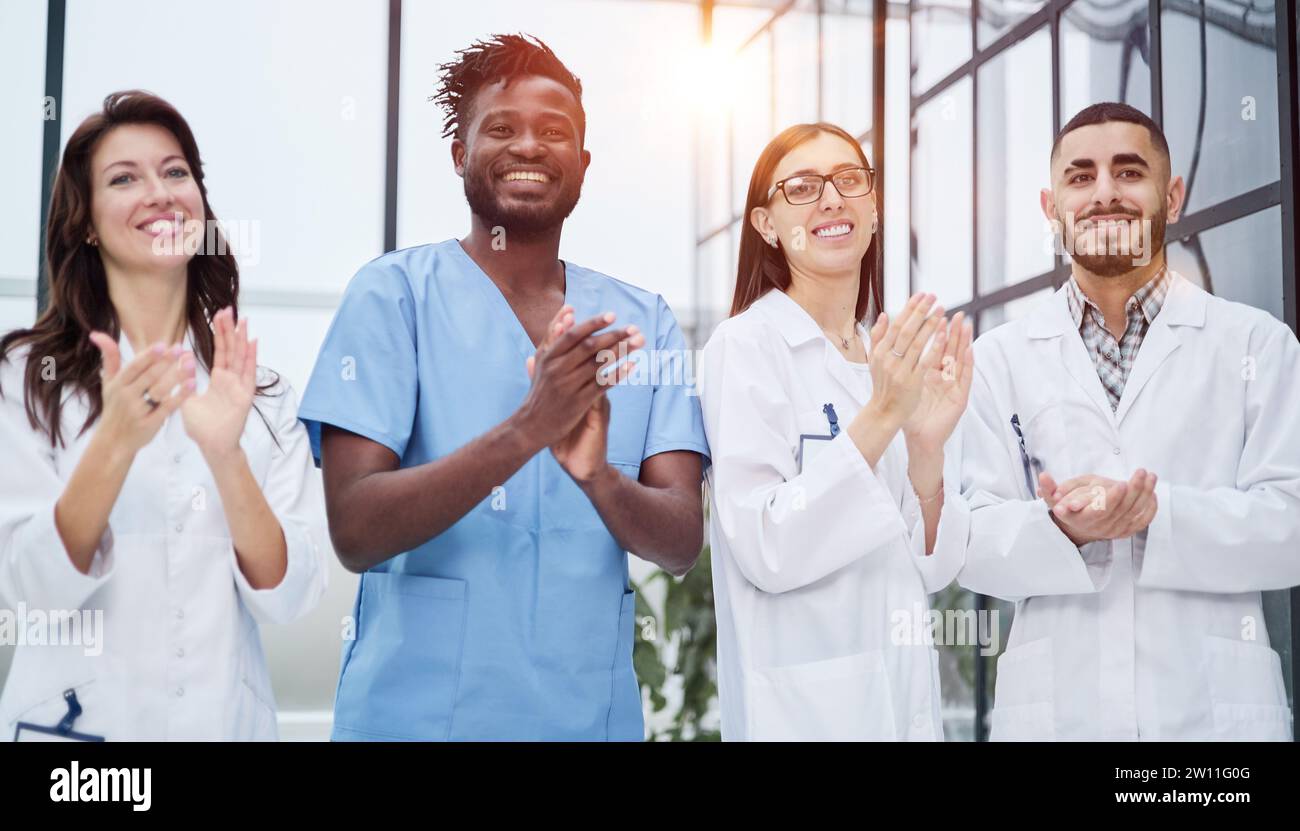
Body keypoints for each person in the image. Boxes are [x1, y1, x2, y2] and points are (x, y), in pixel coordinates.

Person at [297, 34, 709, 741]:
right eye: (501, 128)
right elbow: (356, 530)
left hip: (587, 719)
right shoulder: (393, 298)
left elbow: (680, 542)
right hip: (415, 719)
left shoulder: (645, 323)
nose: (529, 146)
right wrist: (529, 428)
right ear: (460, 153)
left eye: (555, 133)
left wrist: (599, 481)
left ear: (582, 165)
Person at [959, 102, 1300, 740]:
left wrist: (1157, 515)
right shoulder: (997, 360)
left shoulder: (1258, 346)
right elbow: (970, 544)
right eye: (1080, 176)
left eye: (1129, 172)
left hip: (1211, 724)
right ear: (1051, 205)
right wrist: (1060, 529)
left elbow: (1293, 524)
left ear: (1172, 197)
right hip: (1058, 717)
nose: (1105, 193)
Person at [0, 90, 328, 741]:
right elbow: (28, 590)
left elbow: (290, 595)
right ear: (87, 222)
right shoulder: (26, 378)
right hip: (75, 739)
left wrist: (226, 455)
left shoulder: (258, 394)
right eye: (124, 178)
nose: (159, 192)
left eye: (175, 172)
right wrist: (115, 442)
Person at [698, 122, 973, 741]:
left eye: (849, 180)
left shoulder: (883, 354)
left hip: (902, 705)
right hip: (806, 714)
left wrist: (926, 453)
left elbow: (930, 572)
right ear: (767, 225)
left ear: (873, 209)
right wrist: (881, 417)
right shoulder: (745, 346)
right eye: (801, 187)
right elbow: (766, 543)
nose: (831, 198)